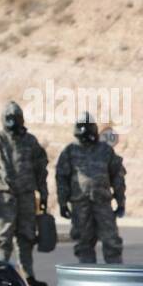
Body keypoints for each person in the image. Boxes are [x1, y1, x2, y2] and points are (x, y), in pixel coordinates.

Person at [0, 101, 49, 286]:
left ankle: (28, 276)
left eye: (15, 118)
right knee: (2, 240)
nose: (12, 122)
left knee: (26, 237)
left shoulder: (30, 142)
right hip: (5, 197)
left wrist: (43, 195)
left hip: (26, 197)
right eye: (8, 118)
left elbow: (41, 170)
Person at [56, 112, 126, 264]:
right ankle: (88, 279)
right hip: (80, 205)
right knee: (83, 244)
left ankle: (115, 278)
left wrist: (121, 202)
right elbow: (61, 177)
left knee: (112, 242)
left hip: (103, 204)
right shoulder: (70, 151)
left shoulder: (105, 150)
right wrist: (62, 203)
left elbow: (118, 177)